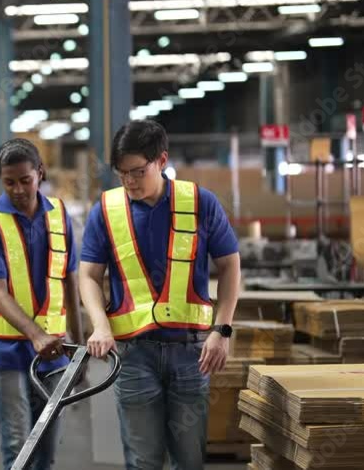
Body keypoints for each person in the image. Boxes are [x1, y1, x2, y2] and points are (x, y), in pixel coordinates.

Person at [78, 120, 241, 470]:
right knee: (143, 460)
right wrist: (100, 326)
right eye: (122, 173)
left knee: (190, 459)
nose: (130, 181)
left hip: (192, 352)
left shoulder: (201, 203)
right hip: (134, 355)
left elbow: (230, 266)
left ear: (162, 160)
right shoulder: (106, 210)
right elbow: (88, 276)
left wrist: (221, 330)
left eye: (138, 171)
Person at [0, 138, 84, 470]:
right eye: (9, 182)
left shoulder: (60, 215)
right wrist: (35, 335)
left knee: (46, 449)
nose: (18, 189)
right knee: (17, 445)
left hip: (55, 351)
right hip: (7, 350)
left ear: (40, 173)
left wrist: (78, 349)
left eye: (25, 180)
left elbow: (70, 281)